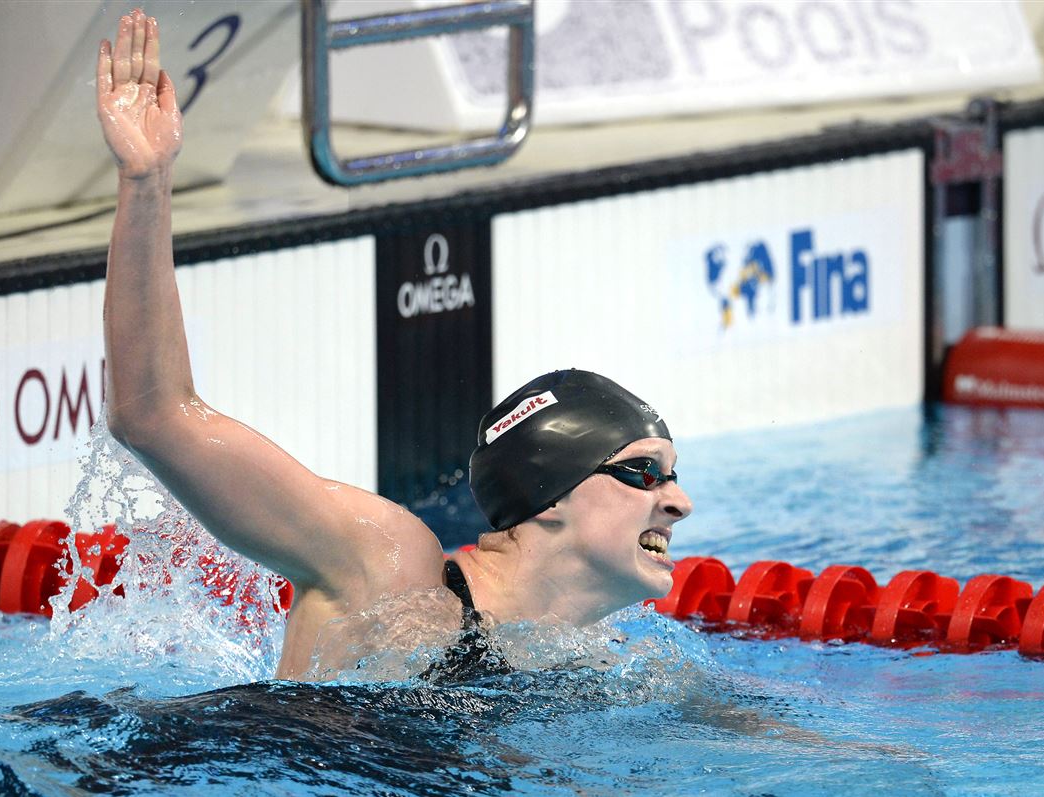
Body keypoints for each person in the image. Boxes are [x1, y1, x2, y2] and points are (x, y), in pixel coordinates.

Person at [97, 10, 692, 681]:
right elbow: (153, 416)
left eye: (671, 475)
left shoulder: (584, 667)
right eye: (644, 471)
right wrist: (145, 183)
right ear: (548, 495)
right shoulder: (390, 570)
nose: (678, 501)